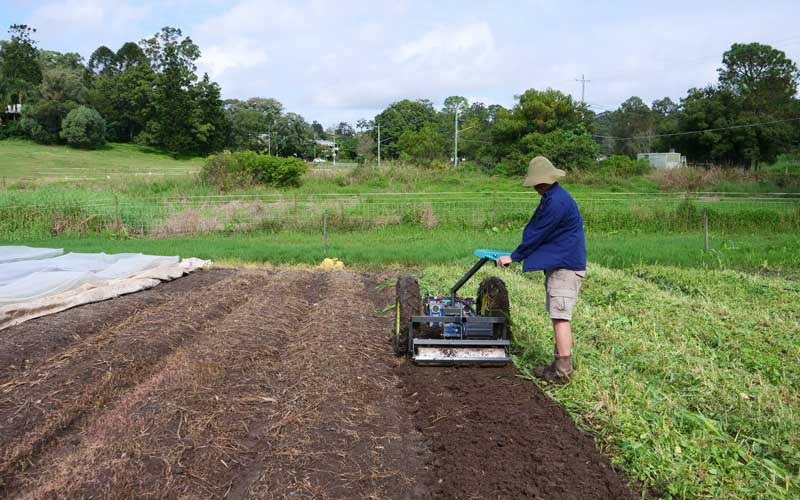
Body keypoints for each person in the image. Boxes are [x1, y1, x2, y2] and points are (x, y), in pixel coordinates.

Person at [497, 156, 586, 384]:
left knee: (560, 318)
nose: (535, 187)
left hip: (565, 268)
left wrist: (515, 257)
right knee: (558, 316)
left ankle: (562, 372)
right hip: (560, 265)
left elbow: (538, 233)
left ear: (543, 181)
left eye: (536, 183)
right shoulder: (552, 197)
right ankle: (557, 365)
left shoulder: (556, 202)